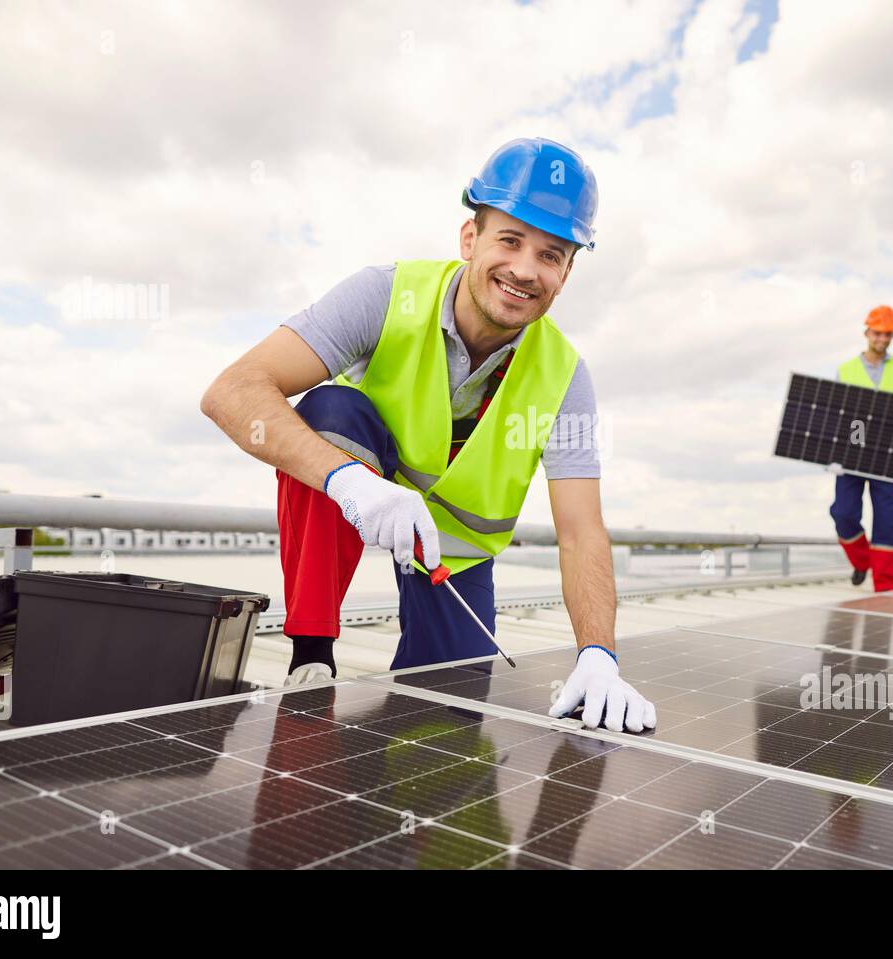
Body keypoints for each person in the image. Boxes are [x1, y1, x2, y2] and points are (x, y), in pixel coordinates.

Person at [200, 137, 655, 733]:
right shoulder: (386, 296)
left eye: (551, 255)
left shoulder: (565, 377)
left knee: (447, 720)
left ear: (566, 273)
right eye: (510, 240)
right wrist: (350, 483)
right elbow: (233, 393)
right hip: (360, 498)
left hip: (455, 562)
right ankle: (312, 654)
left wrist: (598, 653)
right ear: (470, 239)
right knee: (332, 411)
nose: (524, 270)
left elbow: (580, 531)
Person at [827, 305, 893, 592]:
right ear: (866, 332)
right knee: (843, 513)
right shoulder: (846, 369)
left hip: (888, 453)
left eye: (888, 334)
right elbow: (833, 413)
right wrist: (830, 456)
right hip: (852, 451)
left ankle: (885, 589)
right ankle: (862, 562)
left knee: (886, 520)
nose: (882, 338)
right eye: (877, 333)